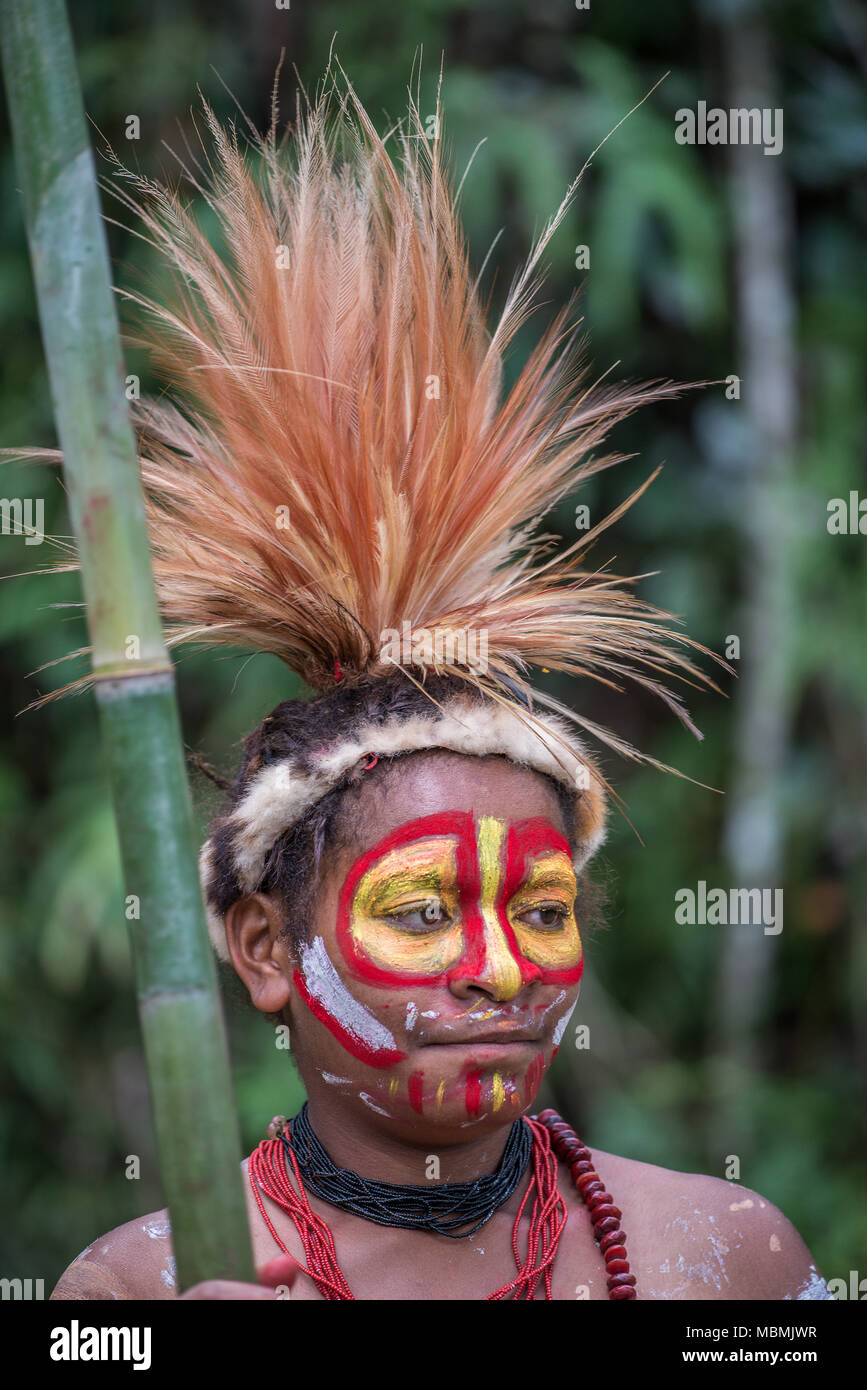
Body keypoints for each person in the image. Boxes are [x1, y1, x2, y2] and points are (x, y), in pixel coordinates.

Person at [49, 62, 832, 1302]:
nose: (503, 969)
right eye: (422, 913)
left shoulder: (729, 1260)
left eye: (543, 909)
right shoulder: (131, 1297)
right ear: (264, 947)